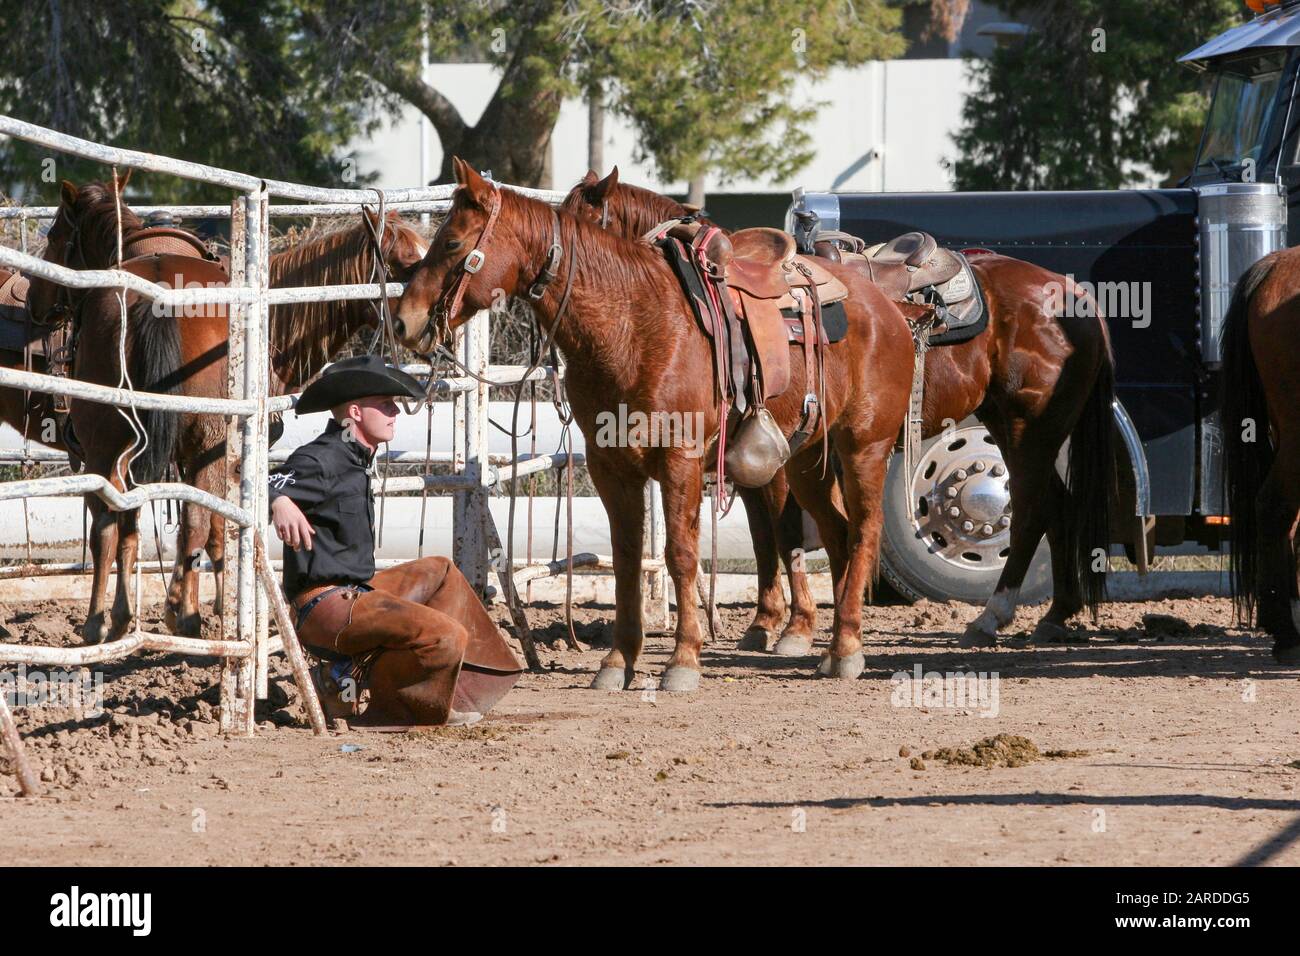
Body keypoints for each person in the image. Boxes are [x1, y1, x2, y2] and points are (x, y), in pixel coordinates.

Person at [268, 355, 522, 727]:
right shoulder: (323, 458)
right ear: (355, 411)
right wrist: (279, 500)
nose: (395, 412)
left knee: (441, 570)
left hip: (354, 593)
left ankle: (357, 675)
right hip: (323, 607)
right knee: (446, 634)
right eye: (385, 404)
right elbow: (256, 483)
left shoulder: (353, 459)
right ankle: (397, 707)